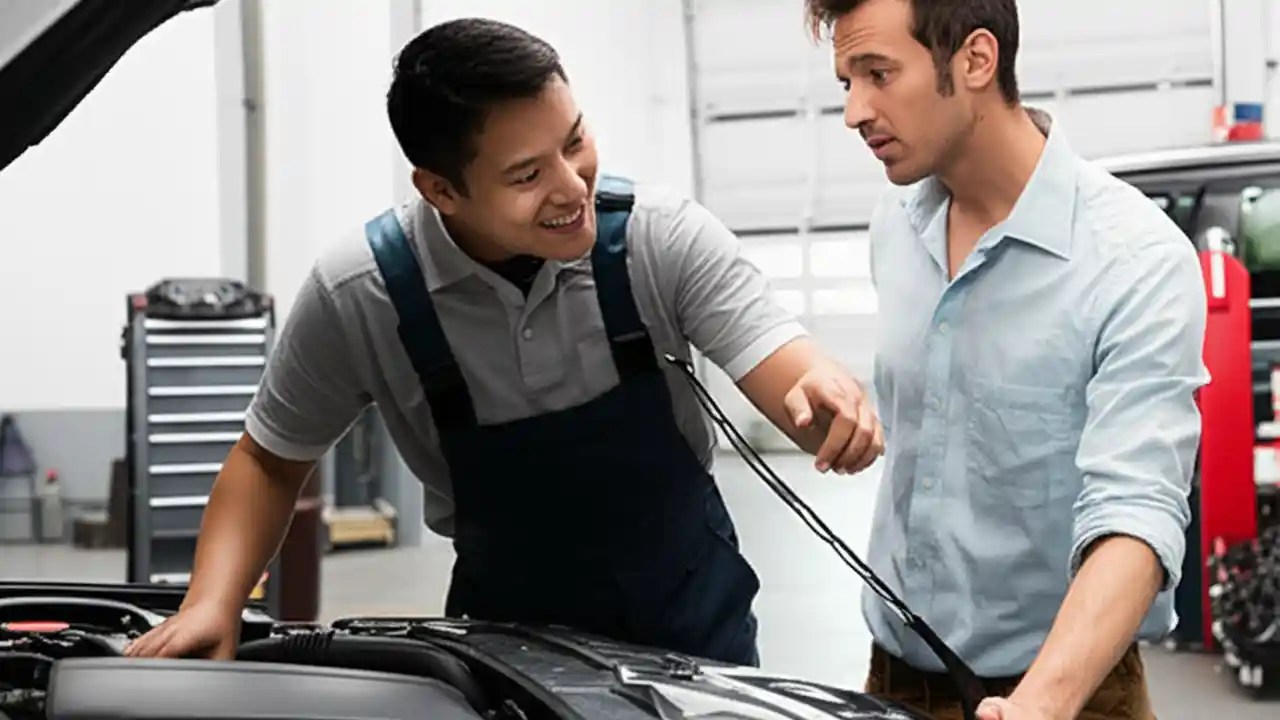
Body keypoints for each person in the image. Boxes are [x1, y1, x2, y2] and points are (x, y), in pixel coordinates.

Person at [123, 17, 884, 667]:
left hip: (693, 620)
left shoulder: (659, 238)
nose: (572, 186)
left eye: (574, 139)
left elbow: (779, 359)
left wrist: (820, 394)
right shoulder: (363, 293)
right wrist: (212, 603)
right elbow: (268, 457)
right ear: (441, 190)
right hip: (508, 642)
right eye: (527, 174)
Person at [803, 1, 1208, 718]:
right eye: (846, 82)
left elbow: (1137, 510)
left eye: (879, 74)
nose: (855, 112)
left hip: (1065, 694)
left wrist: (1041, 703)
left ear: (976, 60)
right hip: (891, 677)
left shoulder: (1136, 261)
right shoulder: (895, 224)